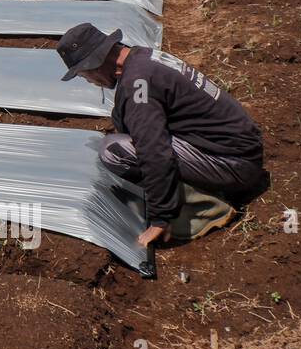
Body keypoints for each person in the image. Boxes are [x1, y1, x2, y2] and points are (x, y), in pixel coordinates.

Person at [56, 23, 268, 247]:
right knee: (131, 130)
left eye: (84, 75)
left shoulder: (138, 83)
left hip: (235, 164)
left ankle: (205, 209)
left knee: (115, 150)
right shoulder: (142, 58)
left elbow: (155, 152)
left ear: (96, 63)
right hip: (239, 150)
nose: (89, 81)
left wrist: (160, 217)